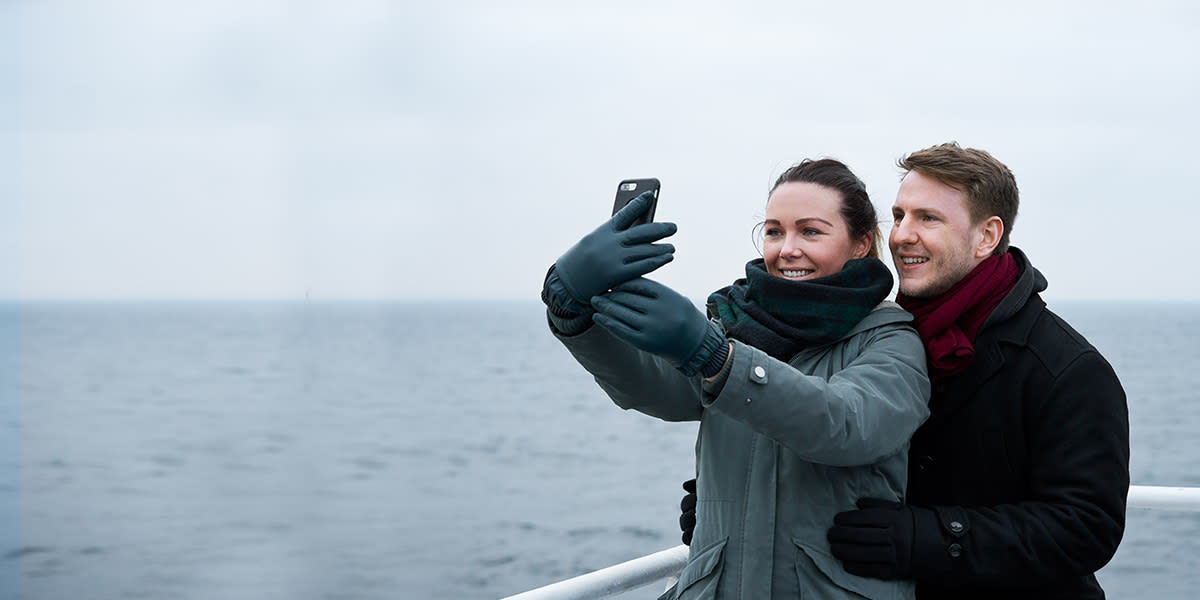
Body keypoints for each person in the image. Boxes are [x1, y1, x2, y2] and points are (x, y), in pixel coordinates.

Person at [543, 159, 930, 599]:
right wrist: (571, 312)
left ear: (860, 244)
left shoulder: (890, 340)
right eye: (774, 230)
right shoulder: (735, 321)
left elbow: (846, 425)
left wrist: (715, 357)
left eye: (811, 231)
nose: (787, 248)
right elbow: (660, 390)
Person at [789, 143, 1126, 599]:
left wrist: (925, 538)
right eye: (900, 214)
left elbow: (1085, 527)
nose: (902, 235)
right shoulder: (876, 338)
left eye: (928, 218)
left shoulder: (1068, 369)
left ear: (987, 236)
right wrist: (744, 496)